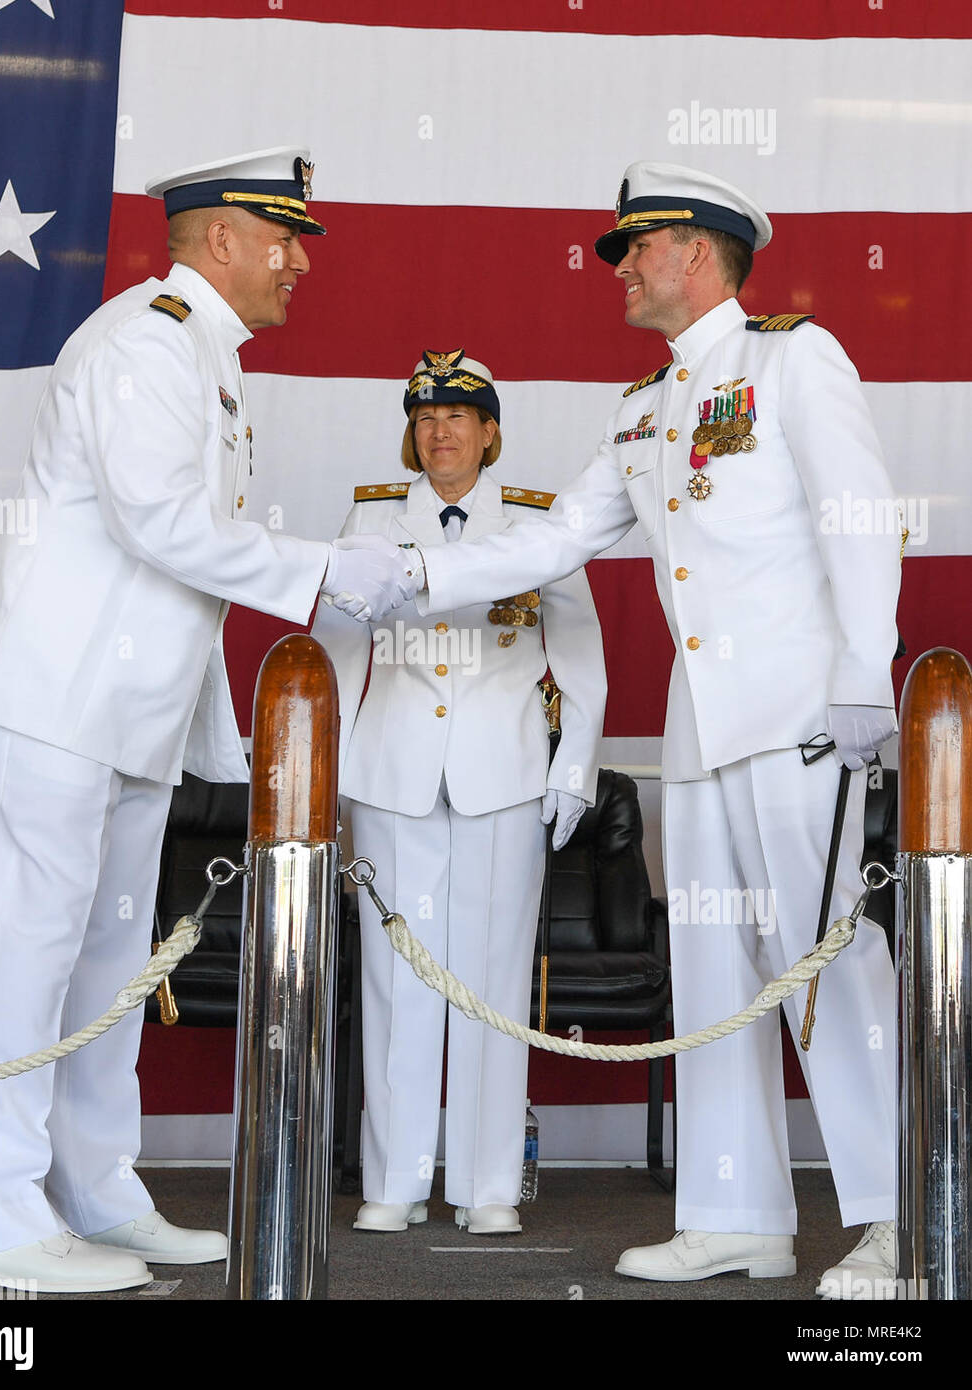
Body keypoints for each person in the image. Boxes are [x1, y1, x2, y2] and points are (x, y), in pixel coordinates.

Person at [381, 165, 901, 1298]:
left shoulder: (788, 358)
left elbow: (855, 511)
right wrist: (413, 573)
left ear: (701, 251)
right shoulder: (642, 407)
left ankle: (899, 1218)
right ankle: (735, 1213)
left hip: (803, 714)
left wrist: (867, 666)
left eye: (638, 245)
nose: (619, 266)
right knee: (716, 970)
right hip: (701, 730)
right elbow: (550, 539)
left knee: (828, 965)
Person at [0, 146, 415, 1294]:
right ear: (217, 240)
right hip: (54, 694)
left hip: (122, 712)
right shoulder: (147, 339)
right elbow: (161, 527)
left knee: (105, 966)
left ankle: (92, 1194)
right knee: (22, 962)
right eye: (282, 235)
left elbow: (169, 571)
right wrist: (329, 572)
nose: (298, 259)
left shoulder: (201, 353)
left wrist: (206, 736)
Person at [313, 351, 606, 1234]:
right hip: (391, 774)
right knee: (397, 980)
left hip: (505, 774)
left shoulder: (535, 522)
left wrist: (574, 766)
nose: (440, 431)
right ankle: (393, 1183)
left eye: (458, 416)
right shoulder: (370, 517)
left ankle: (487, 1189)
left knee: (492, 981)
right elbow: (335, 651)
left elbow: (581, 653)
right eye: (425, 417)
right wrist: (324, 771)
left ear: (490, 431)